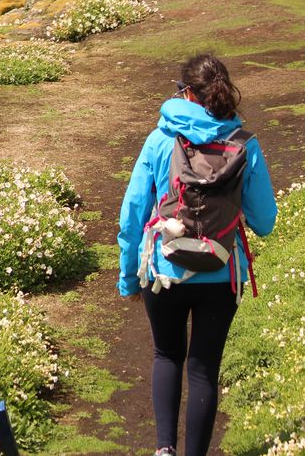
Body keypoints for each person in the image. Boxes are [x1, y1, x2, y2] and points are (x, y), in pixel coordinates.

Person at [117, 54, 277, 456]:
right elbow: (265, 221)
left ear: (186, 93)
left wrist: (128, 279)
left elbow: (132, 215)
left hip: (164, 270)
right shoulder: (245, 144)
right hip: (222, 271)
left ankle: (164, 450)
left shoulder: (160, 139)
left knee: (166, 354)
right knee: (204, 369)